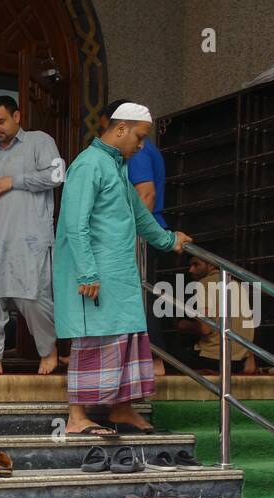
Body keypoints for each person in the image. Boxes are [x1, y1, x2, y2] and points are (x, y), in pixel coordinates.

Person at [52, 102, 192, 436]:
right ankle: (76, 418)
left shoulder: (116, 167)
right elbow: (75, 222)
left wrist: (169, 240)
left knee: (126, 336)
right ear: (120, 129)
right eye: (139, 137)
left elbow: (140, 216)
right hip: (96, 275)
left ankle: (121, 408)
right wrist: (87, 272)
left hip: (118, 275)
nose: (141, 145)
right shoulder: (89, 164)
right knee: (92, 339)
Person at [0, 96, 63, 376]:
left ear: (17, 117)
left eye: (1, 121)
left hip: (29, 240)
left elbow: (57, 175)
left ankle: (48, 350)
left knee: (33, 297)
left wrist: (15, 181)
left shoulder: (39, 141)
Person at [103, 98, 170, 375]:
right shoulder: (137, 149)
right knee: (141, 296)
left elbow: (146, 195)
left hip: (140, 234)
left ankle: (153, 360)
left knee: (140, 297)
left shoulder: (138, 151)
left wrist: (129, 237)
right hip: (144, 232)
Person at [166, 254, 258, 374]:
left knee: (163, 356)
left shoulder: (203, 284)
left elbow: (205, 329)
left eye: (196, 264)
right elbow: (246, 325)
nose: (191, 270)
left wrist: (184, 325)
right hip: (238, 361)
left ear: (211, 264)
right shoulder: (237, 285)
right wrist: (250, 357)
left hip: (213, 360)